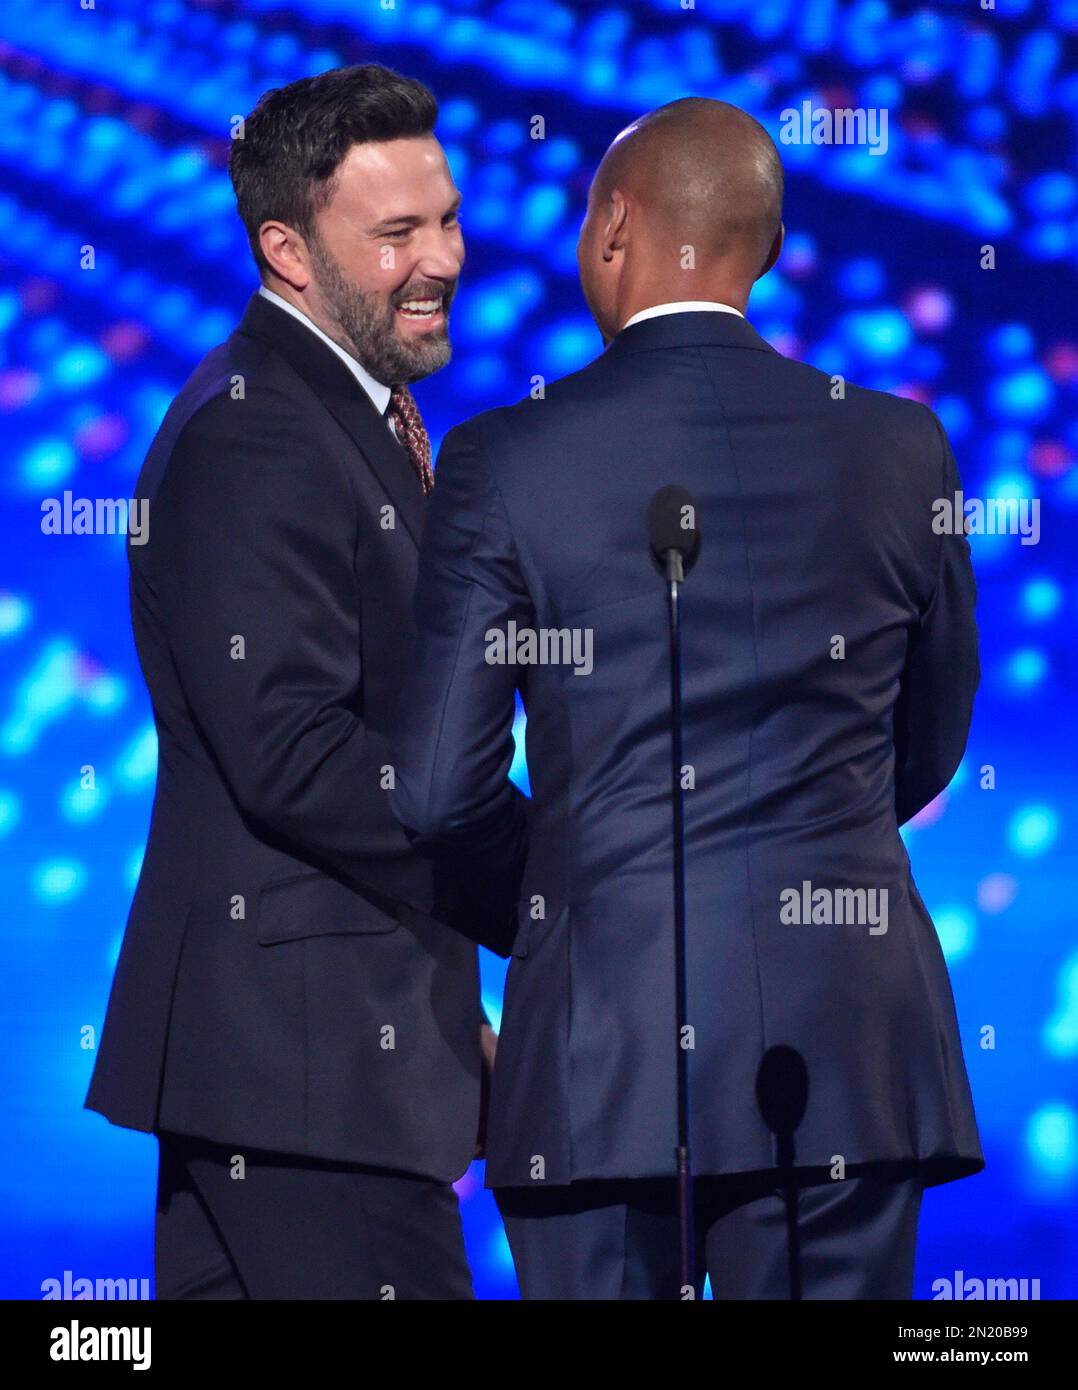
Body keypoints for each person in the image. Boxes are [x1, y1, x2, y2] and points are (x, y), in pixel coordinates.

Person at [391, 97, 984, 1300]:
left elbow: (437, 786)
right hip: (846, 1051)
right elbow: (923, 741)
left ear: (612, 229)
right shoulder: (900, 447)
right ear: (759, 251)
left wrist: (583, 880)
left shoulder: (506, 457)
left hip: (596, 1054)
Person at [85, 63, 514, 1300]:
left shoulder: (341, 419)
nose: (441, 256)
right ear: (286, 249)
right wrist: (546, 884)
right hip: (303, 1075)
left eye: (445, 218)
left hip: (304, 1067)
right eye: (395, 234)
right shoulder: (261, 429)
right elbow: (296, 750)